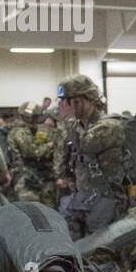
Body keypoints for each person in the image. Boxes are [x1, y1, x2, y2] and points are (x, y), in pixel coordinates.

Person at [56, 74, 130, 238]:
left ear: (87, 99)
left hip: (107, 200)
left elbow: (85, 145)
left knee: (103, 253)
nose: (65, 106)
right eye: (64, 101)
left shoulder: (110, 125)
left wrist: (67, 118)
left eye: (70, 101)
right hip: (83, 198)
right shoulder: (76, 126)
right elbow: (68, 154)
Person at [7, 101, 60, 208]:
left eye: (36, 117)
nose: (34, 120)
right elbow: (31, 153)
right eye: (31, 117)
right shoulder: (19, 131)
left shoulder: (36, 130)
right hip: (25, 178)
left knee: (49, 209)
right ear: (23, 116)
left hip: (42, 176)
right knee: (30, 209)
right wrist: (49, 146)